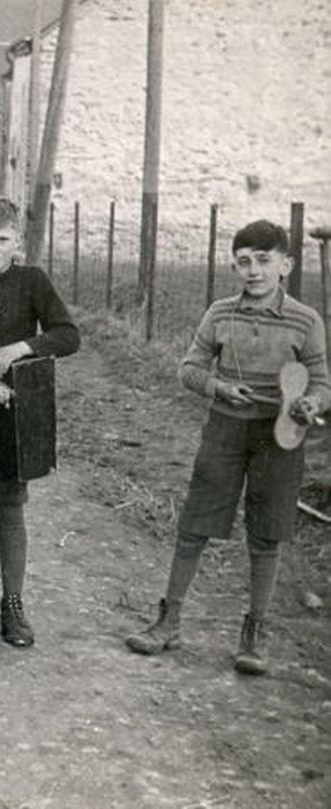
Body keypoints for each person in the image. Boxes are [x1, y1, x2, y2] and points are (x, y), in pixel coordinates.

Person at [125, 219, 329, 675]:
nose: (253, 271)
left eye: (263, 260)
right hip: (225, 429)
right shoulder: (220, 313)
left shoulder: (305, 319)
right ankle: (169, 621)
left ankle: (254, 633)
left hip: (280, 437)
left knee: (266, 533)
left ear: (285, 264)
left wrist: (311, 402)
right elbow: (188, 368)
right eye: (243, 262)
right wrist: (218, 388)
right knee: (195, 524)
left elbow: (320, 381)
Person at [0, 196, 80, 648]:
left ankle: (13, 603)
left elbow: (69, 335)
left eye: (1, 240)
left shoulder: (33, 281)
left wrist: (25, 347)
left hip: (19, 415)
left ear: (18, 241)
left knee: (9, 507)